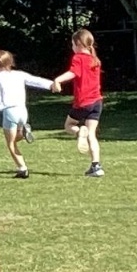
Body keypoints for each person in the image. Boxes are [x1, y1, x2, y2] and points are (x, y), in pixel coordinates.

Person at [0, 50, 53, 178]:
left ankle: (22, 168)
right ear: (10, 62)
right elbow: (36, 80)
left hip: (9, 112)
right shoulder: (19, 74)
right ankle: (24, 132)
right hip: (22, 111)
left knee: (11, 143)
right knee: (15, 138)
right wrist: (51, 85)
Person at [51, 28, 104, 177]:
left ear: (78, 44)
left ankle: (80, 131)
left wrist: (57, 80)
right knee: (92, 135)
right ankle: (96, 166)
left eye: (72, 44)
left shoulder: (78, 58)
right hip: (97, 102)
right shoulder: (95, 60)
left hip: (83, 102)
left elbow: (73, 73)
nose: (72, 48)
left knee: (68, 125)